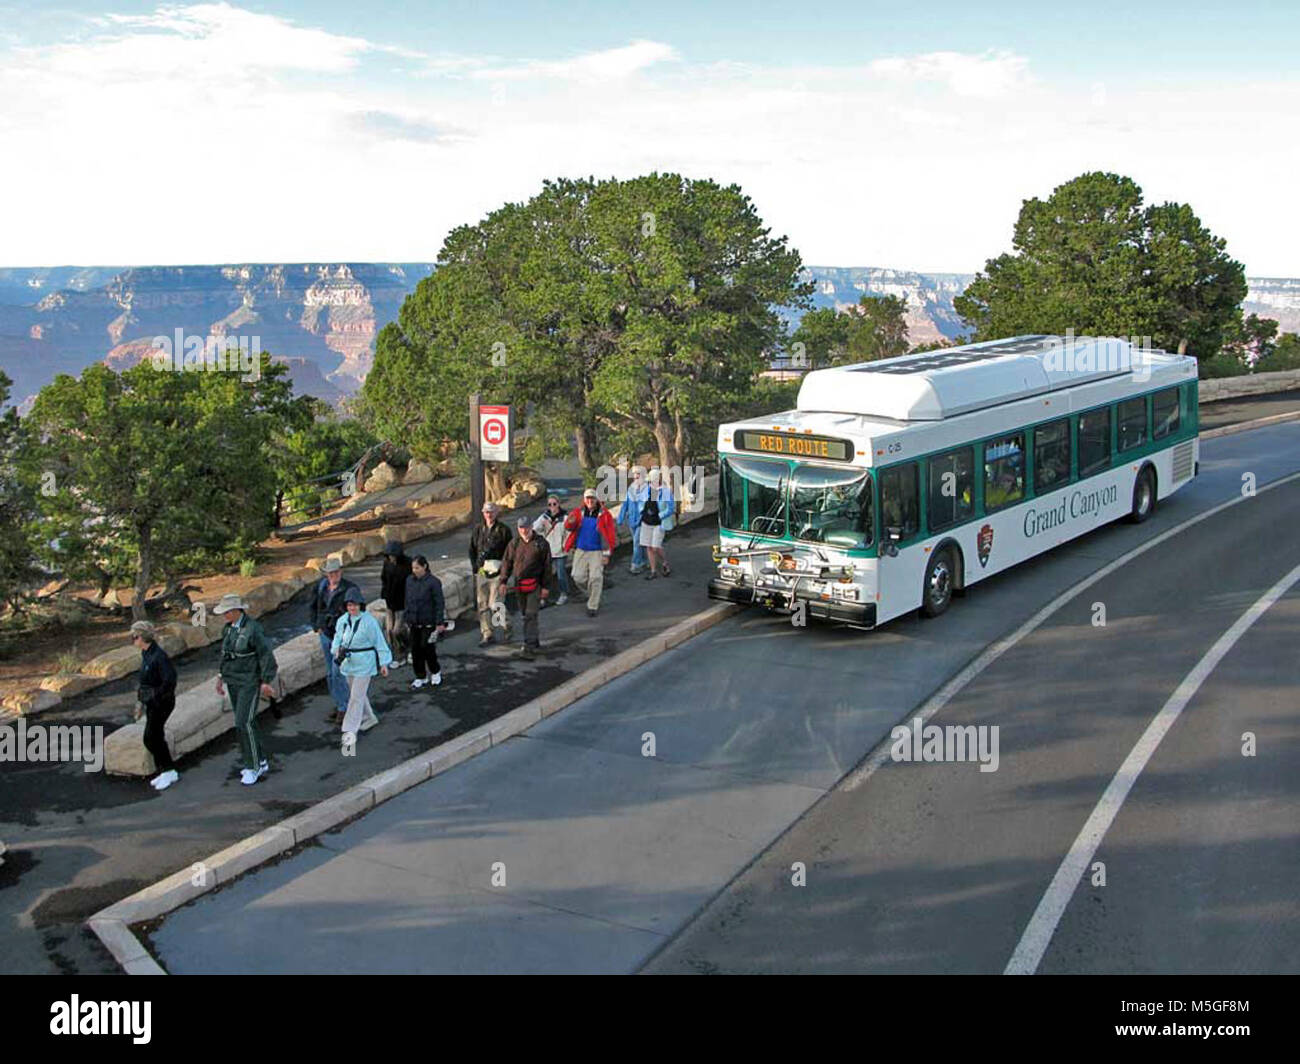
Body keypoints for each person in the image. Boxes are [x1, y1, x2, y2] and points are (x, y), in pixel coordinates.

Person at [212, 593, 279, 786]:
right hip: (233, 680)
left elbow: (266, 655)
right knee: (246, 722)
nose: (224, 616)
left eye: (226, 612)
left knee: (243, 722)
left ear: (236, 611)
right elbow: (225, 655)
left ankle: (253, 765)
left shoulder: (253, 629)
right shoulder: (228, 630)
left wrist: (266, 681)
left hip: (249, 682)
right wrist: (220, 677)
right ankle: (260, 758)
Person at [330, 587, 391, 753]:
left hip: (365, 664)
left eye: (355, 605)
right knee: (357, 695)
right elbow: (337, 639)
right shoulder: (342, 621)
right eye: (349, 605)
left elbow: (379, 642)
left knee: (355, 699)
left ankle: (348, 736)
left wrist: (384, 663)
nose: (352, 608)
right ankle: (369, 717)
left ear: (360, 605)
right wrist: (335, 650)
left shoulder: (369, 621)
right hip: (349, 664)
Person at [130, 620, 179, 791]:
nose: (133, 640)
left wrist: (156, 694)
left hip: (162, 702)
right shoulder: (146, 654)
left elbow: (170, 679)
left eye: (134, 637)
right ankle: (166, 770)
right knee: (154, 737)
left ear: (142, 637)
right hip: (151, 702)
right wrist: (141, 701)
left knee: (151, 737)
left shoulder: (159, 656)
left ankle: (169, 770)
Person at [311, 558, 359, 725]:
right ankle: (340, 704)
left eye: (336, 572)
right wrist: (316, 625)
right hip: (326, 634)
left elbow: (358, 611)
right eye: (331, 573)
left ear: (341, 571)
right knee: (331, 674)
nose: (334, 575)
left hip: (342, 638)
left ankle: (345, 707)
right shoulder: (321, 587)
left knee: (338, 673)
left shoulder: (349, 589)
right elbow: (314, 607)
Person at [499, 514, 555, 659]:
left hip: (535, 585)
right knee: (526, 615)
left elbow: (547, 566)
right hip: (519, 586)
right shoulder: (514, 544)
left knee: (531, 614)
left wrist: (546, 587)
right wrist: (503, 581)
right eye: (521, 528)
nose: (524, 530)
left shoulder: (541, 543)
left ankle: (528, 647)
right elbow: (507, 563)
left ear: (531, 527)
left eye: (526, 527)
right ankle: (534, 640)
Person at [564, 487, 617, 617]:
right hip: (581, 550)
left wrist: (606, 553)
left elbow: (610, 535)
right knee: (577, 576)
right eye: (587, 498)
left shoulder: (605, 514)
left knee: (596, 577)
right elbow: (568, 526)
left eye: (592, 498)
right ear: (584, 499)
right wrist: (569, 523)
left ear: (596, 499)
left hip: (597, 551)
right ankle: (592, 594)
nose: (590, 501)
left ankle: (592, 605)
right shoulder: (578, 512)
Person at [469, 501, 513, 646]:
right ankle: (487, 633)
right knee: (483, 604)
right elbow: (472, 549)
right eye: (486, 512)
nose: (489, 515)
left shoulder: (504, 530)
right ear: (483, 513)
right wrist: (475, 567)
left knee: (496, 604)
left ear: (497, 512)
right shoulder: (478, 530)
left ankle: (506, 625)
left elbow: (509, 553)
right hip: (482, 571)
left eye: (491, 512)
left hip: (498, 570)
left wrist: (505, 573)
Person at [404, 554, 447, 688]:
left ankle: (435, 671)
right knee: (416, 650)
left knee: (428, 648)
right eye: (413, 568)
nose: (414, 570)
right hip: (414, 621)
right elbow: (407, 599)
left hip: (428, 622)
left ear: (425, 567)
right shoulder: (409, 581)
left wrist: (439, 622)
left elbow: (439, 603)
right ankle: (420, 676)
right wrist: (407, 616)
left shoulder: (433, 582)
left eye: (417, 568)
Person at [380, 540, 413, 666]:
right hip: (390, 602)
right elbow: (383, 578)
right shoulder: (387, 564)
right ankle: (398, 655)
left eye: (393, 556)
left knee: (397, 630)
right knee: (389, 631)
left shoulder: (407, 564)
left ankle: (409, 649)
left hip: (402, 602)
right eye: (389, 556)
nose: (391, 558)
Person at [641, 468, 676, 579]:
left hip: (659, 522)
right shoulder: (646, 490)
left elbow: (671, 508)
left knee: (655, 547)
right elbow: (641, 502)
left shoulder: (665, 491)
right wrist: (641, 511)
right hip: (646, 521)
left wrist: (659, 516)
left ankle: (664, 563)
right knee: (649, 546)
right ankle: (653, 571)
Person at [616, 466, 650, 574]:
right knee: (641, 543)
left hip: (642, 520)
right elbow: (625, 504)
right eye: (635, 477)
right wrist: (620, 518)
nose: (636, 478)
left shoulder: (648, 490)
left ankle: (635, 564)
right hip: (631, 520)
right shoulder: (630, 489)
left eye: (638, 476)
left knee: (636, 542)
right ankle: (645, 561)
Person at [537, 496, 570, 606]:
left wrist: (565, 545)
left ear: (559, 504)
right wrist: (543, 523)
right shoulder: (544, 517)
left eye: (554, 504)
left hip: (560, 551)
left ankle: (563, 593)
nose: (552, 507)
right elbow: (534, 529)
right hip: (548, 551)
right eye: (549, 504)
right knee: (545, 575)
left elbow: (569, 532)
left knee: (561, 574)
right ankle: (543, 597)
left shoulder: (565, 517)